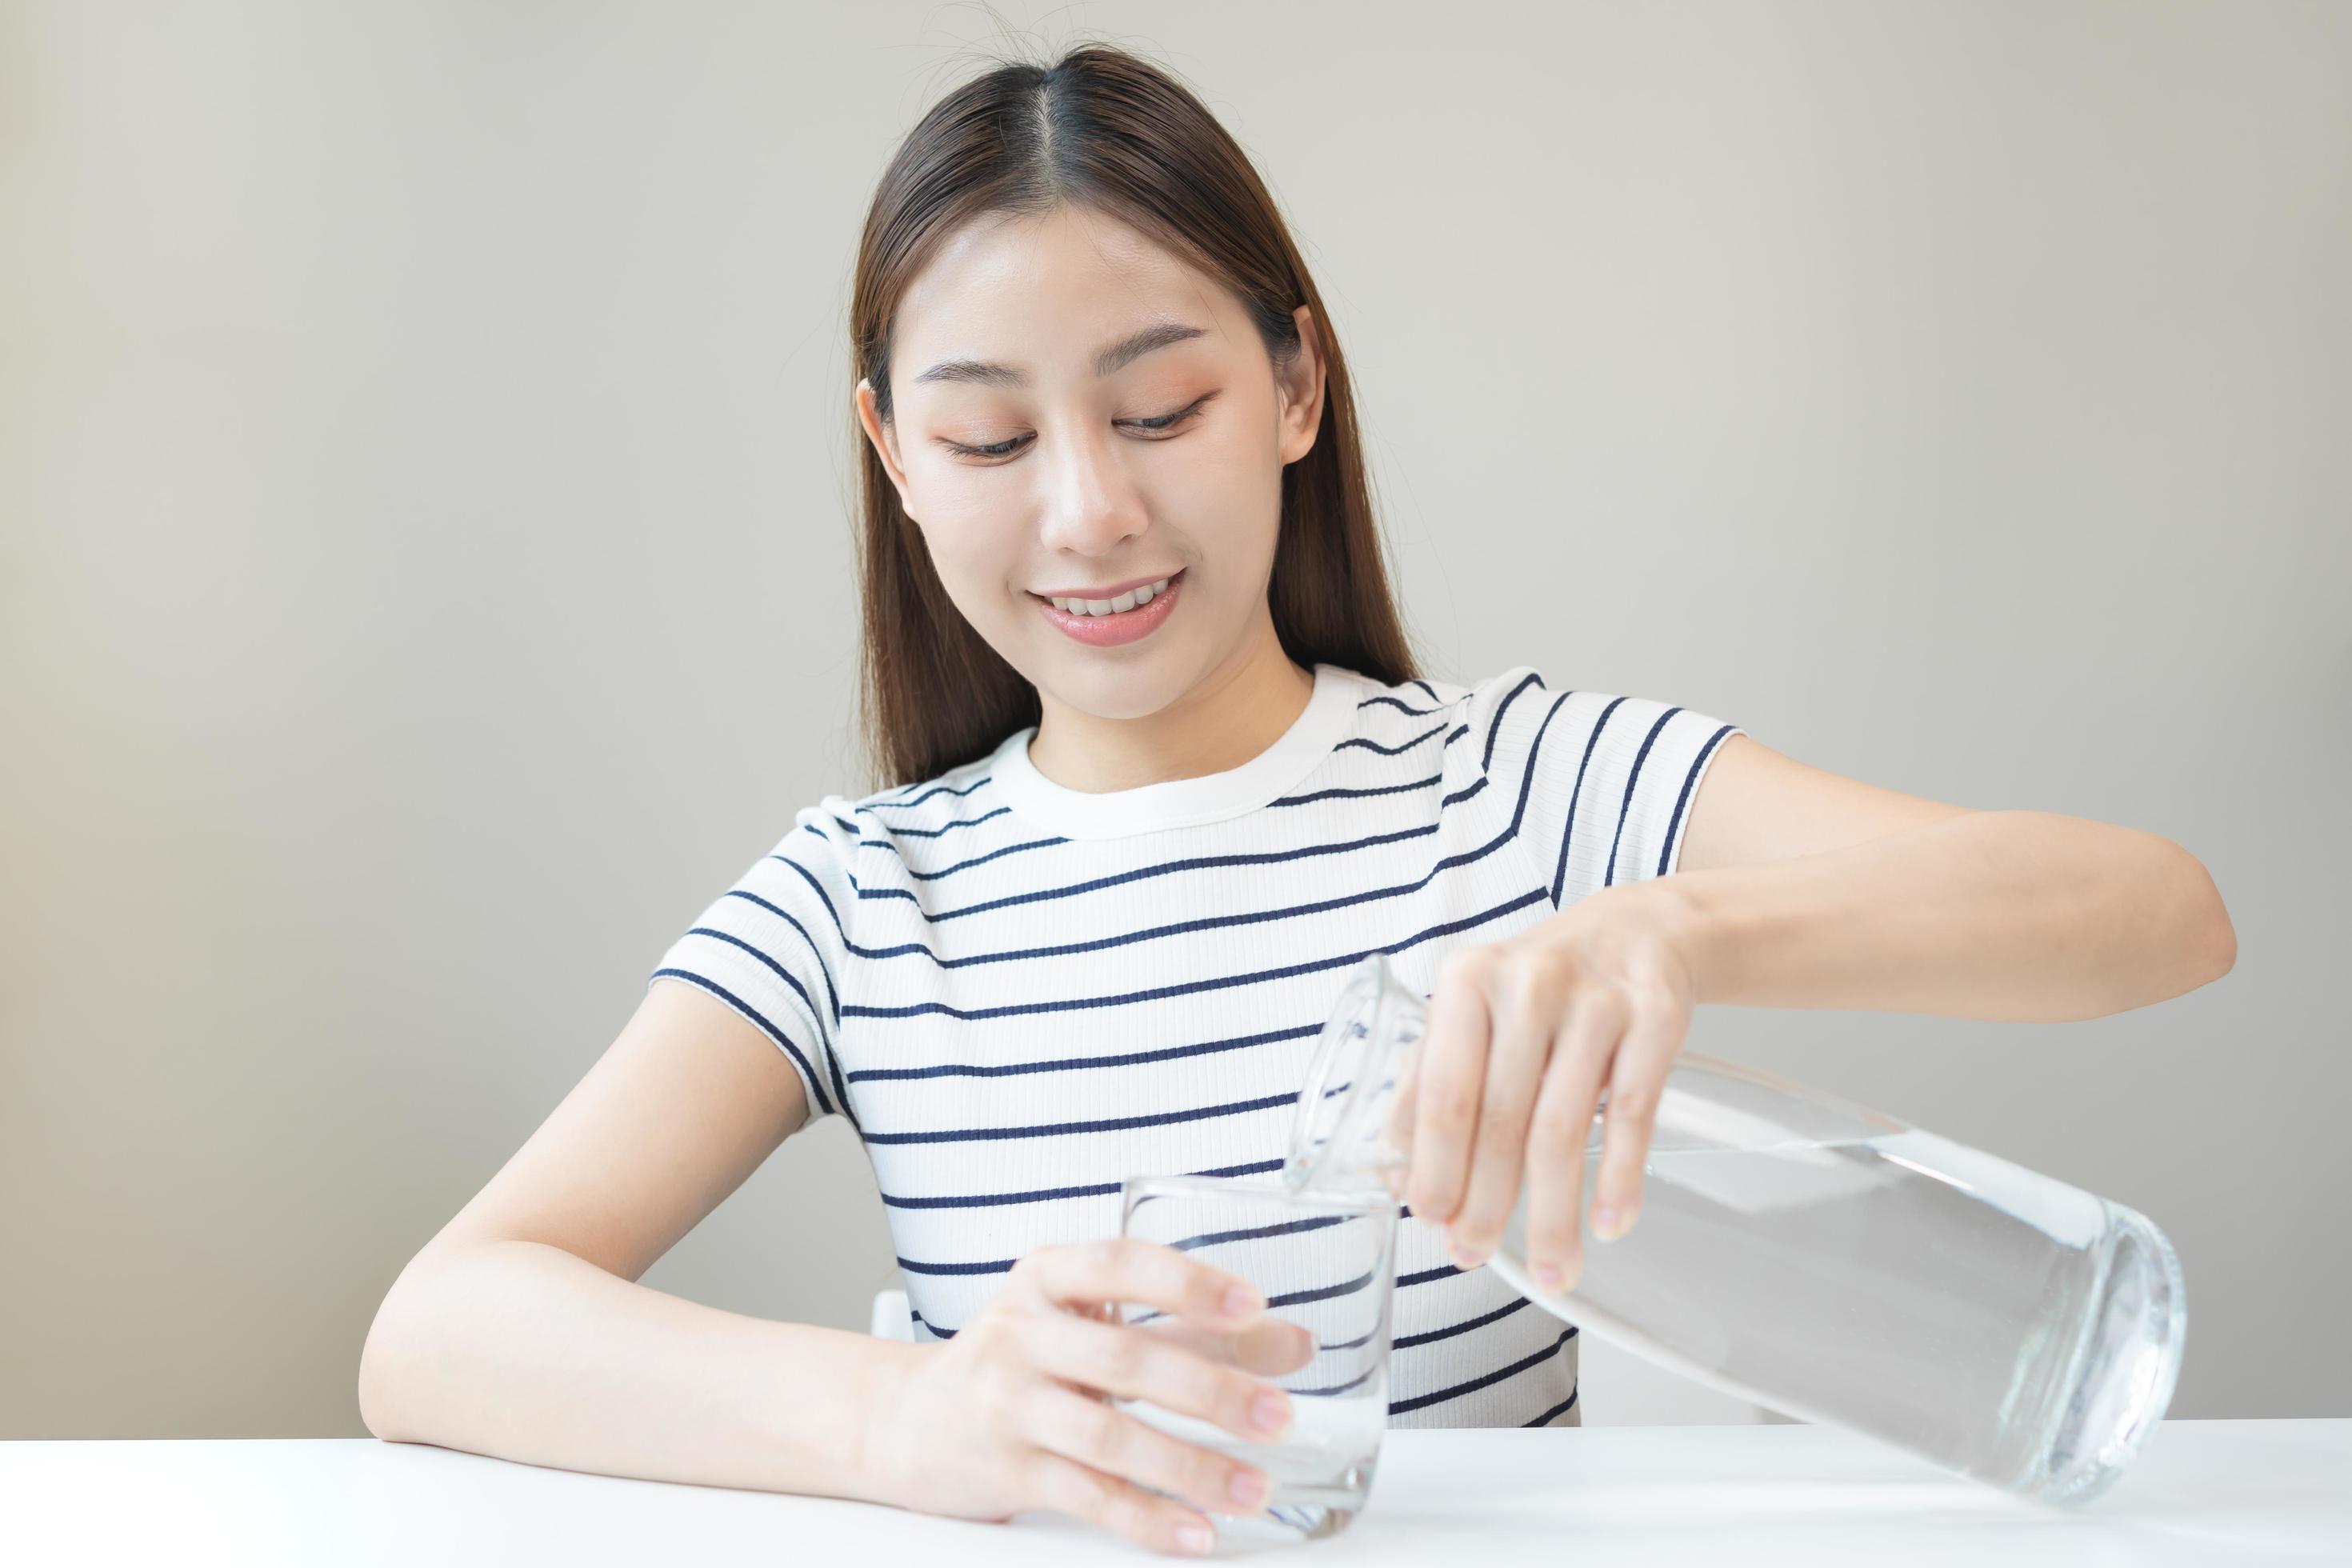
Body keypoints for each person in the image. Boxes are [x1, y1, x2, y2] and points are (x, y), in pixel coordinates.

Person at [358, 41, 2238, 1559]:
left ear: (1293, 385)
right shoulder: (863, 901)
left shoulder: (1516, 788)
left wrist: (1675, 922)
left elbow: (2154, 911)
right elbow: (437, 1327)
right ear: (895, 457)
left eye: (1158, 408)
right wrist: (919, 1418)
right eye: (992, 436)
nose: (1086, 509)